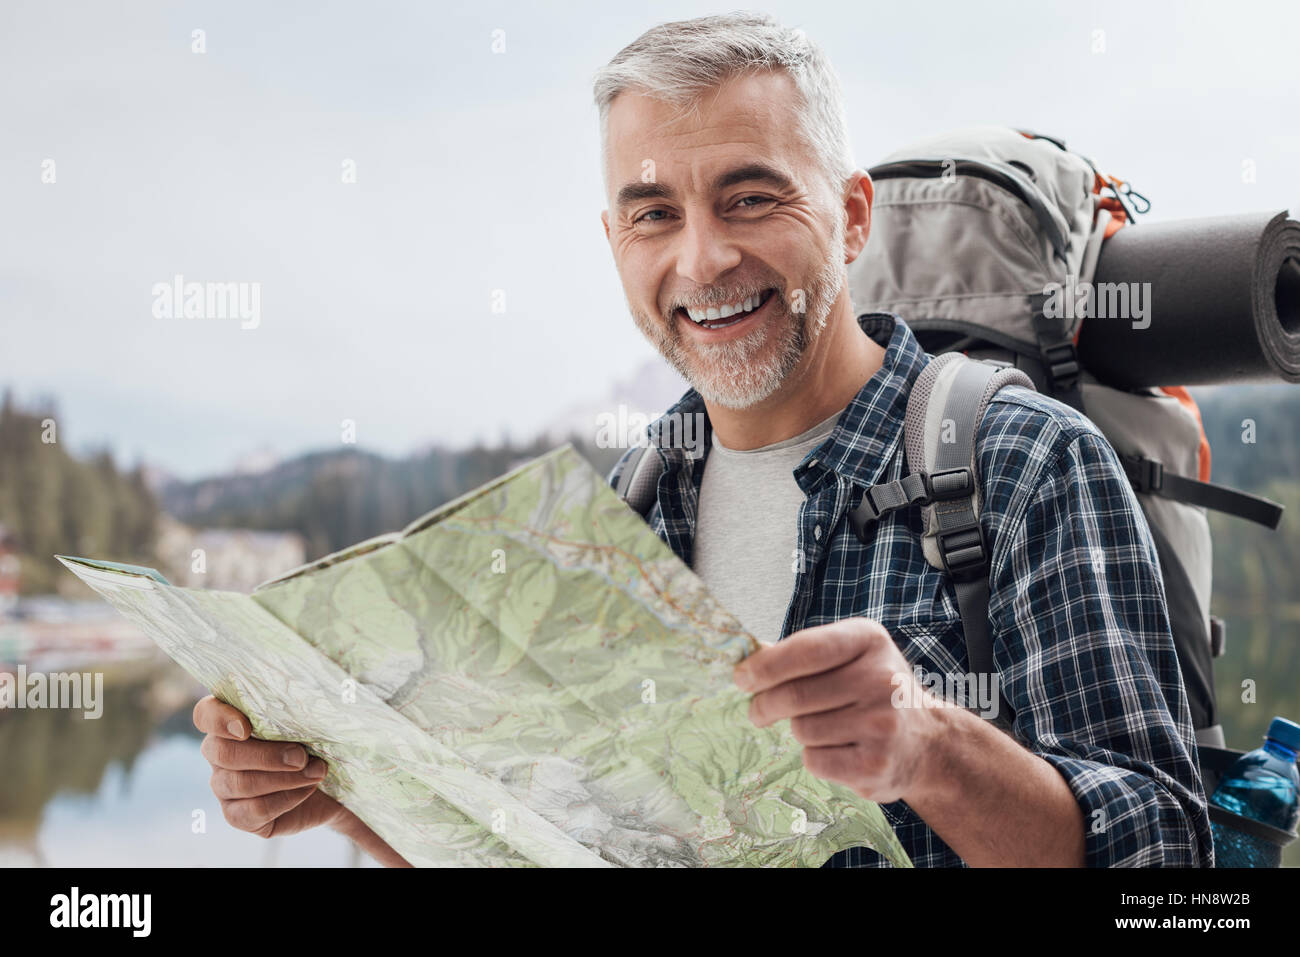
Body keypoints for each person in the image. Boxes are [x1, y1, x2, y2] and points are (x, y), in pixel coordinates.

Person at [195, 11, 1213, 867]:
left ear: (851, 218)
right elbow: (561, 846)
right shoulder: (625, 510)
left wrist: (927, 750)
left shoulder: (1024, 461)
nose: (704, 257)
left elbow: (1167, 862)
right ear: (613, 243)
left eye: (750, 197)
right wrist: (350, 795)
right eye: (653, 214)